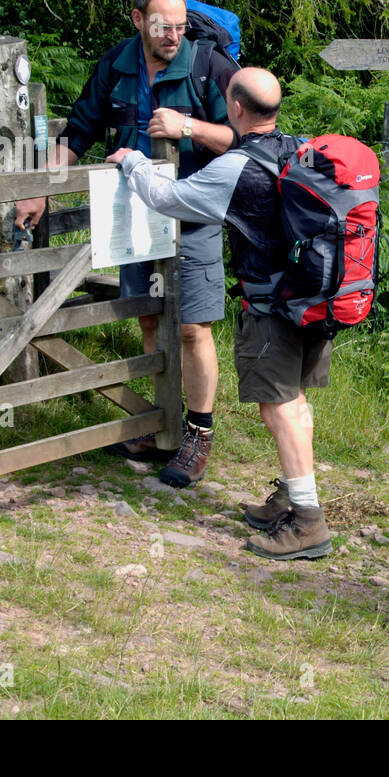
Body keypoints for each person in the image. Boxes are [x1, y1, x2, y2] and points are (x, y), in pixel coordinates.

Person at [15, 0, 238, 489]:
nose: (174, 35)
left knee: (192, 325)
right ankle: (155, 421)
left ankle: (197, 435)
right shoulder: (117, 65)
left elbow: (244, 138)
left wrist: (189, 129)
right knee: (148, 319)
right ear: (137, 20)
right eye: (163, 25)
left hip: (194, 213)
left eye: (181, 26)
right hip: (135, 215)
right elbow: (79, 130)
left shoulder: (209, 66)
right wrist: (41, 188)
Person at [108, 67, 334, 562]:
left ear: (235, 108)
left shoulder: (235, 167)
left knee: (279, 408)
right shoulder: (300, 149)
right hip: (316, 298)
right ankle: (289, 500)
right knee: (294, 404)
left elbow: (168, 198)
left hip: (272, 306)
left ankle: (308, 522)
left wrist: (133, 163)